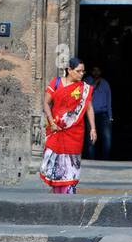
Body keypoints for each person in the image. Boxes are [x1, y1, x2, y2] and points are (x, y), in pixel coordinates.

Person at [40, 56, 96, 194]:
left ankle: (69, 190)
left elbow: (89, 108)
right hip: (56, 128)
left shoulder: (84, 88)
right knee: (53, 159)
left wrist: (93, 128)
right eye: (78, 71)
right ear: (69, 70)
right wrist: (51, 122)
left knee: (71, 162)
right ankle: (58, 189)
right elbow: (46, 103)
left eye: (83, 71)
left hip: (75, 131)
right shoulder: (56, 83)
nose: (82, 74)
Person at [85, 66, 112, 159]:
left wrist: (110, 116)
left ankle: (105, 159)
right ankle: (91, 159)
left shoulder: (105, 83)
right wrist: (95, 83)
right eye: (94, 70)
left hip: (103, 114)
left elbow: (109, 100)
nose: (96, 72)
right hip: (90, 114)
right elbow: (86, 92)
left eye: (98, 70)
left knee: (106, 138)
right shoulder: (87, 81)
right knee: (91, 138)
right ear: (91, 71)